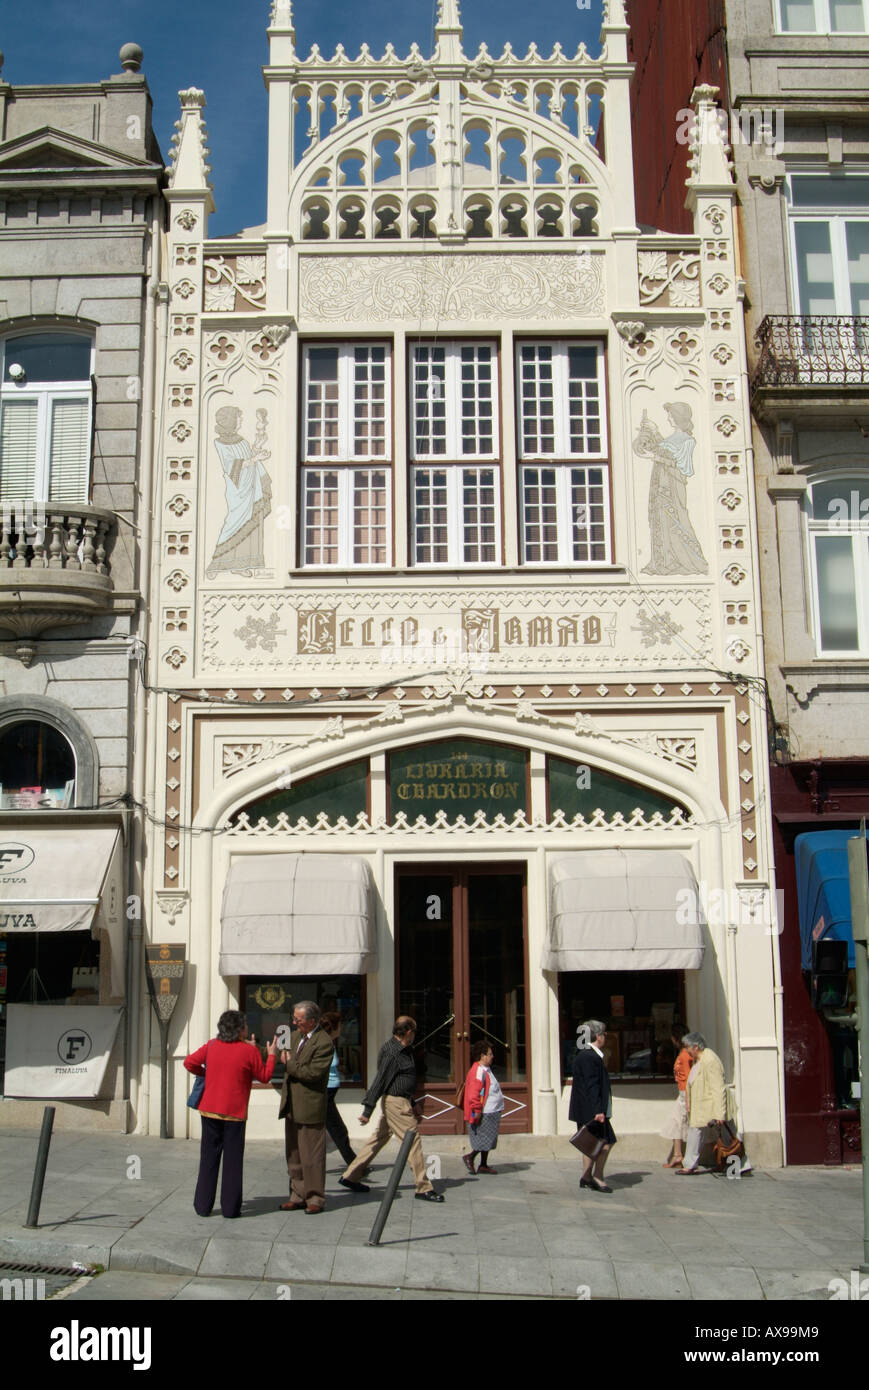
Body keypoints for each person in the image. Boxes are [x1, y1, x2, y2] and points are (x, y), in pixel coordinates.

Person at [339, 1015, 444, 1203]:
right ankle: (423, 1187)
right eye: (414, 1032)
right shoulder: (392, 1051)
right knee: (412, 1141)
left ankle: (350, 1176)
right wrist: (367, 1110)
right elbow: (381, 1080)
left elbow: (400, 1081)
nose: (415, 1036)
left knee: (378, 1139)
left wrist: (412, 1102)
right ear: (409, 1031)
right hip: (396, 1104)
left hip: (401, 1101)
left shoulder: (405, 1050)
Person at [184, 1010, 276, 1219]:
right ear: (240, 1029)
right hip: (234, 1112)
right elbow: (264, 1076)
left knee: (208, 1159)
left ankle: (202, 1205)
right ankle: (230, 1208)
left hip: (209, 1109)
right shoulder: (248, 1050)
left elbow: (189, 1062)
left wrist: (206, 1074)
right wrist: (271, 1055)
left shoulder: (212, 1046)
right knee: (233, 1162)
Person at [278, 1000, 334, 1214]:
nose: (294, 1023)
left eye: (298, 1020)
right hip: (292, 1104)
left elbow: (312, 1073)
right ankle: (297, 1194)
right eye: (294, 1019)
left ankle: (315, 1198)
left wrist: (289, 1063)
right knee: (293, 1155)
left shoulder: (324, 1043)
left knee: (312, 1156)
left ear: (312, 1021)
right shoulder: (294, 1037)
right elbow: (282, 1056)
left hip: (310, 1107)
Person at [569, 1019, 616, 1193]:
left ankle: (586, 1176)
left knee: (590, 1144)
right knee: (606, 1143)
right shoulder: (590, 1057)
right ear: (598, 1036)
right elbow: (592, 1085)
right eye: (604, 1034)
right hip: (592, 1111)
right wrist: (598, 1110)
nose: (605, 1037)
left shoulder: (587, 1055)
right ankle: (598, 1176)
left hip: (588, 1110)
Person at [676, 1031, 725, 1175]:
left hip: (709, 1107)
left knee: (725, 1137)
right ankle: (690, 1164)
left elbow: (718, 1087)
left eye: (688, 1047)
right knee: (696, 1133)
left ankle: (738, 1164)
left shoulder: (710, 1060)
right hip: (701, 1107)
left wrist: (719, 1113)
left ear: (696, 1047)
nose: (686, 1051)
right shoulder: (699, 1060)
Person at [462, 1041, 504, 1175]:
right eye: (490, 1054)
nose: (492, 1057)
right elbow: (473, 1095)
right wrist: (477, 1110)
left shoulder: (486, 1069)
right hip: (485, 1111)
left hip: (492, 1110)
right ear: (482, 1056)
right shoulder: (478, 1071)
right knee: (484, 1138)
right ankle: (470, 1156)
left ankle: (483, 1164)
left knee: (489, 1138)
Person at [320, 1010, 356, 1167]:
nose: (341, 1028)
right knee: (339, 1131)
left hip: (329, 1092)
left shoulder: (329, 1043)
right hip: (325, 1093)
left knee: (332, 1131)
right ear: (334, 1027)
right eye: (340, 1025)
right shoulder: (324, 1044)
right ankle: (354, 1164)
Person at [661, 1027, 693, 1168]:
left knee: (682, 1124)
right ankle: (678, 1155)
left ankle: (680, 1156)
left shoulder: (685, 1055)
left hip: (684, 1094)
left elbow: (688, 1077)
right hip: (683, 1093)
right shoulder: (684, 1053)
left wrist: (687, 1099)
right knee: (677, 1123)